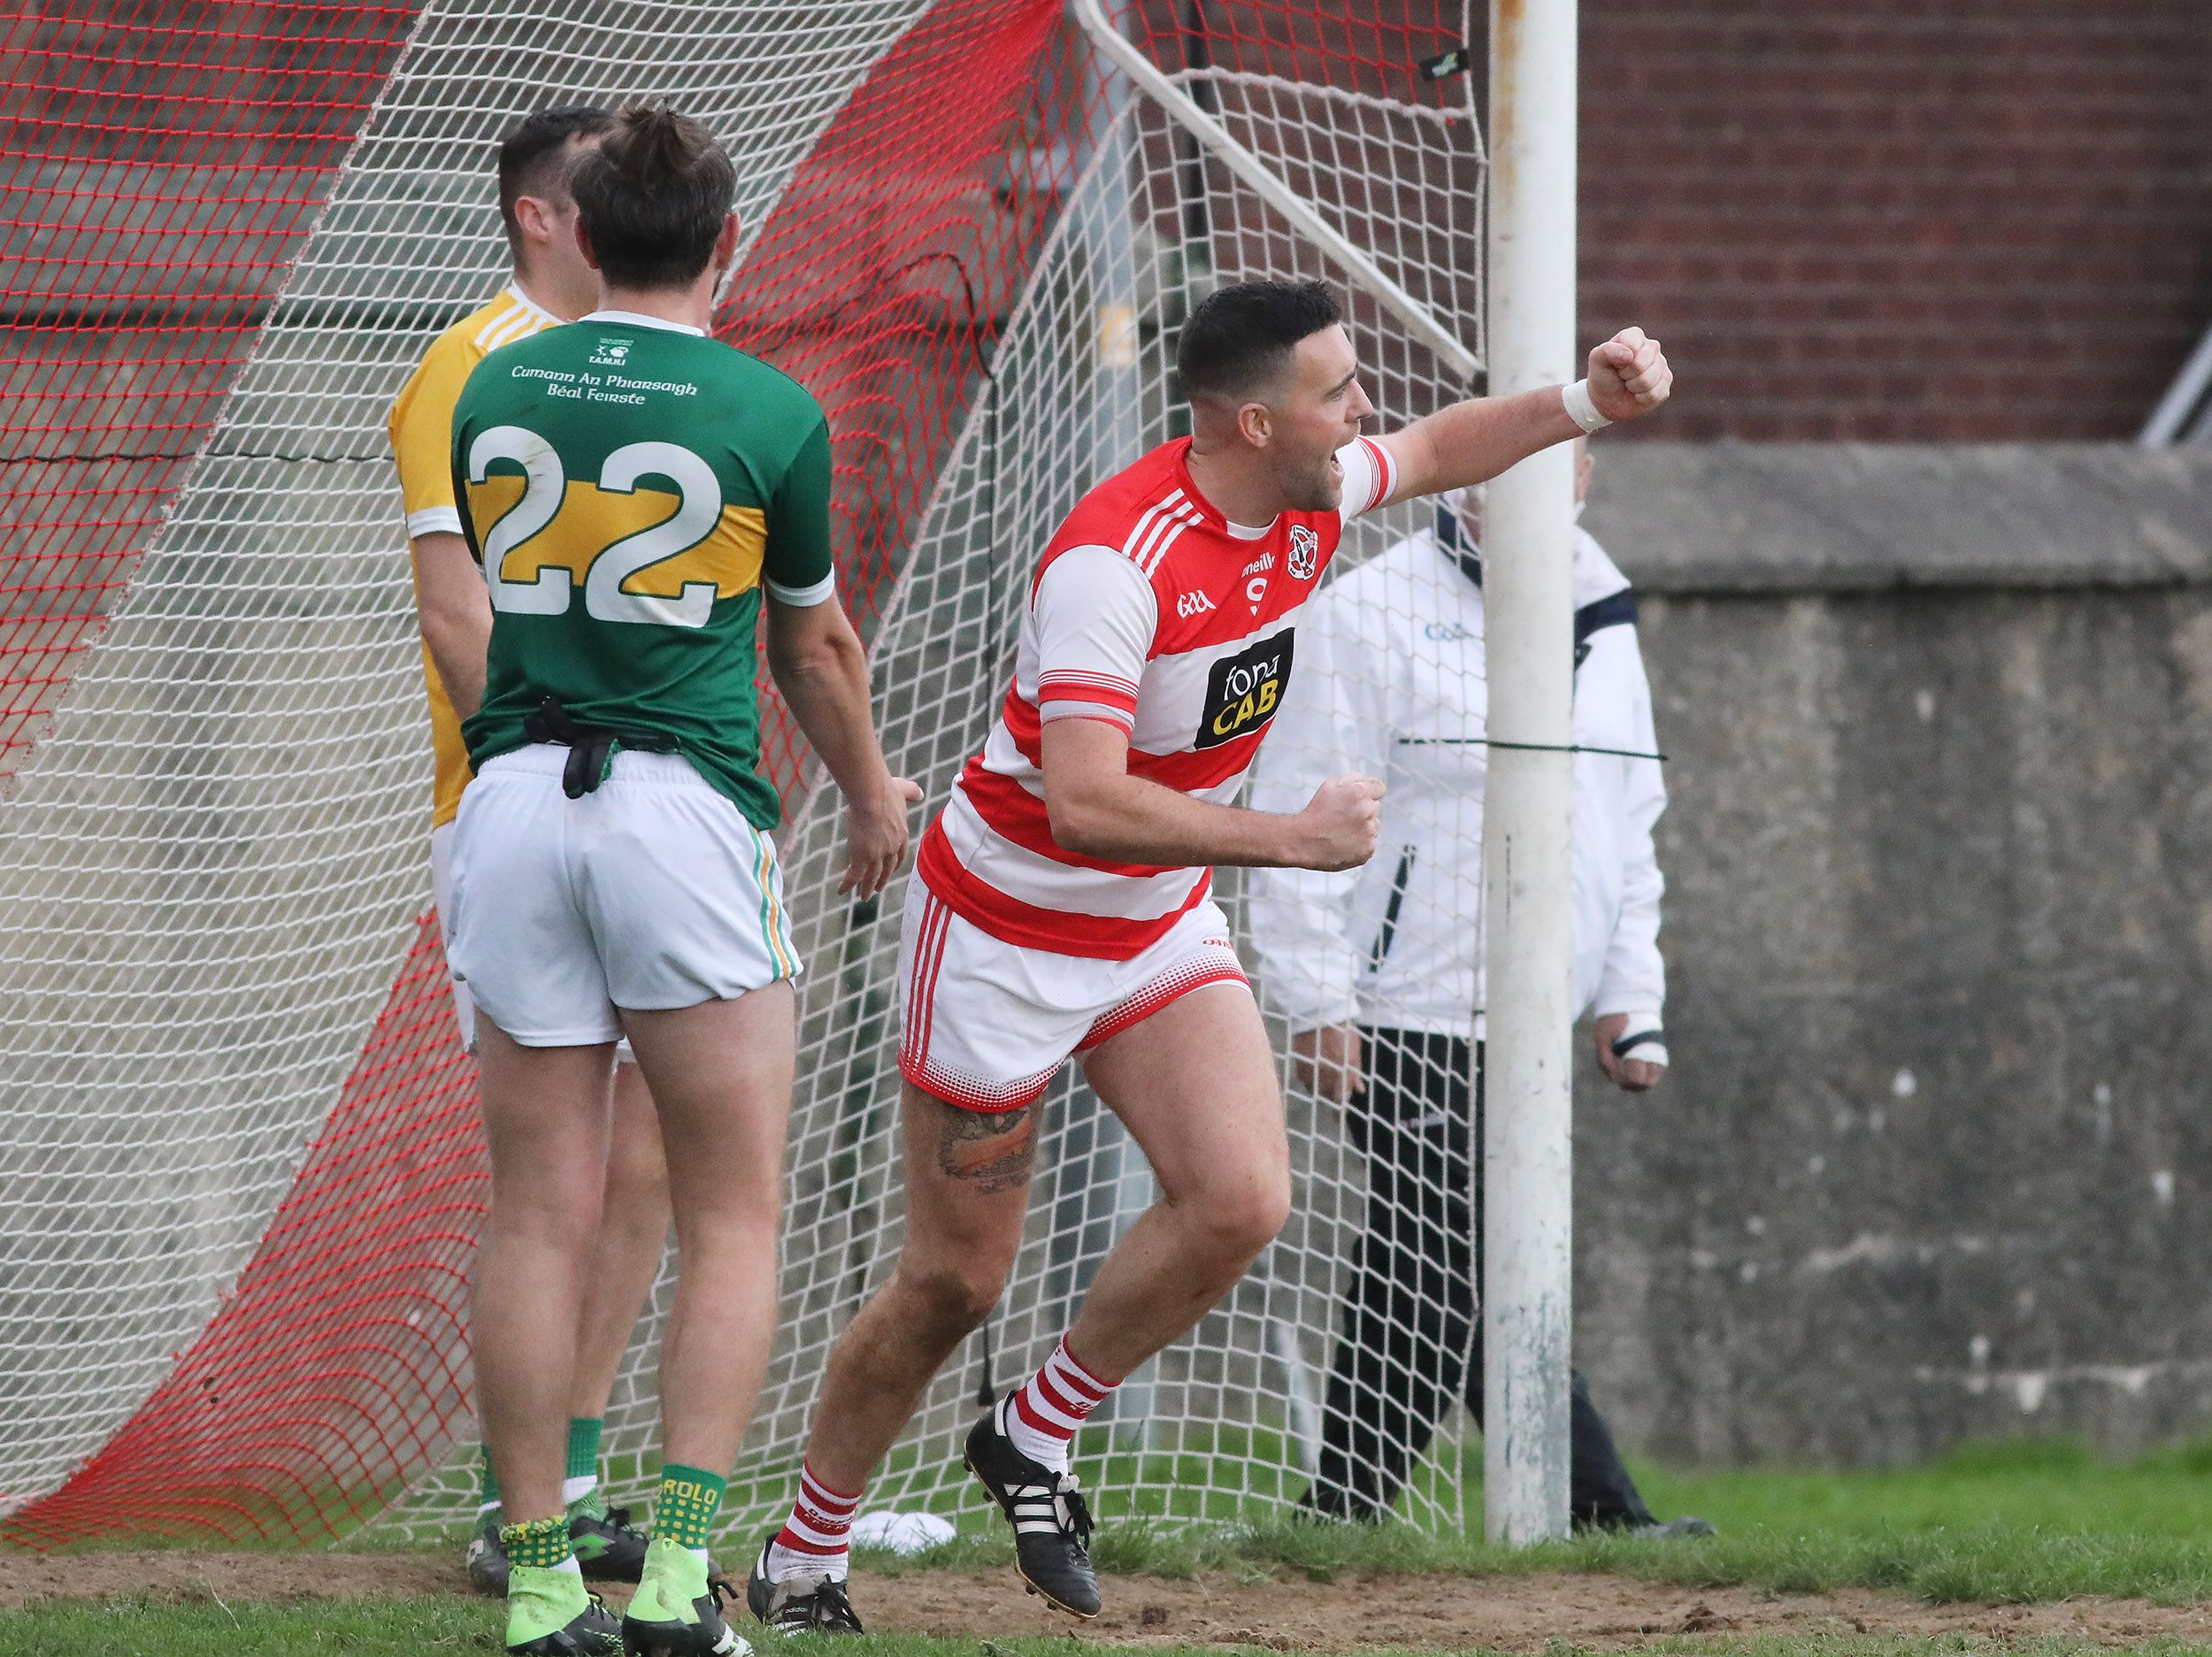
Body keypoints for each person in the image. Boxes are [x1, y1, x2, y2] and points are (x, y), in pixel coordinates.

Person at [743, 279, 1672, 1634]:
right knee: (958, 1282)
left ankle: (1032, 1434)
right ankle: (804, 1550)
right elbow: (1080, 800)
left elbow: (1438, 450)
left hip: (1155, 920)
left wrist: (1587, 402)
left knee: (1241, 1199)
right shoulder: (1112, 567)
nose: (1365, 411)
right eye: (1338, 389)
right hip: (1006, 933)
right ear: (1252, 421)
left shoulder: (1304, 495)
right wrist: (1287, 842)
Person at [444, 105, 917, 1657]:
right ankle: (671, 1585)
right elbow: (814, 644)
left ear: (578, 234)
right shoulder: (770, 407)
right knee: (728, 1208)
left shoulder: (497, 381)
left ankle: (533, 1586)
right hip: (676, 809)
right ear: (729, 238)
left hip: (511, 797)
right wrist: (868, 793)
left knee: (536, 1207)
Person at [1245, 449, 1709, 1534]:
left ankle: (1347, 1519)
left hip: (1539, 1011)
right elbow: (1295, 808)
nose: (1541, 495)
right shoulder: (1365, 612)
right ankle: (1587, 1513)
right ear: (1464, 480)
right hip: (1402, 1004)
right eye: (1508, 471)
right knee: (1448, 1249)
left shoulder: (1600, 596)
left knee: (1476, 1254)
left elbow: (1625, 813)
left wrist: (1627, 994)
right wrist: (1315, 1001)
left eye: (1564, 469)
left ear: (1588, 477)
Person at [386, 104, 673, 1597]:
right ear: (541, 217)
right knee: (551, 1174)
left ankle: (569, 1469)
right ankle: (524, 1508)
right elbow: (456, 619)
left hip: (654, 817)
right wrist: (561, 761)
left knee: (651, 1163)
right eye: (598, 191)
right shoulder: (469, 365)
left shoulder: (649, 368)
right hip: (527, 808)